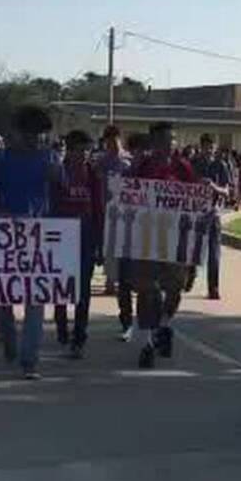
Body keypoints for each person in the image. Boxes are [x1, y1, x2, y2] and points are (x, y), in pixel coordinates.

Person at [0, 105, 63, 379]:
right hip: (5, 230)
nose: (35, 139)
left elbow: (63, 186)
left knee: (35, 300)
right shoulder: (0, 159)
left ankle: (30, 359)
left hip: (37, 233)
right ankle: (10, 340)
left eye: (40, 134)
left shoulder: (49, 157)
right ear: (18, 133)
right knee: (3, 298)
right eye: (30, 133)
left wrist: (56, 172)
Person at [130, 121, 197, 368]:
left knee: (175, 288)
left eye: (173, 140)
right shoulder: (142, 167)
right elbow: (128, 199)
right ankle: (147, 342)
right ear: (154, 142)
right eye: (165, 140)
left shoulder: (183, 167)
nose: (170, 145)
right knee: (147, 291)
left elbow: (194, 202)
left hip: (176, 239)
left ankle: (165, 325)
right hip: (147, 238)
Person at [52, 129, 102, 358]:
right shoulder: (58, 173)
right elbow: (50, 204)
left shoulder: (93, 175)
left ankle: (79, 335)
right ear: (68, 151)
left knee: (82, 289)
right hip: (61, 237)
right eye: (79, 150)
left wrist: (100, 241)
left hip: (87, 238)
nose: (83, 155)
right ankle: (61, 326)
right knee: (61, 288)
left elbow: (99, 210)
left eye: (87, 150)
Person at [94, 126, 134, 335]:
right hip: (105, 209)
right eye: (107, 142)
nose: (111, 145)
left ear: (120, 139)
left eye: (114, 141)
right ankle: (110, 279)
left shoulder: (128, 161)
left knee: (121, 246)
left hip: (124, 211)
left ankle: (119, 279)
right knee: (108, 246)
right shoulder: (101, 161)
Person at [192, 133, 233, 300]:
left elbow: (227, 191)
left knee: (214, 252)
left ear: (215, 148)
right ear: (200, 147)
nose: (208, 150)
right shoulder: (193, 163)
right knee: (191, 248)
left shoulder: (220, 165)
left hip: (213, 212)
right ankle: (190, 273)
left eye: (211, 147)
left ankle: (213, 287)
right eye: (205, 147)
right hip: (195, 212)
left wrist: (214, 187)